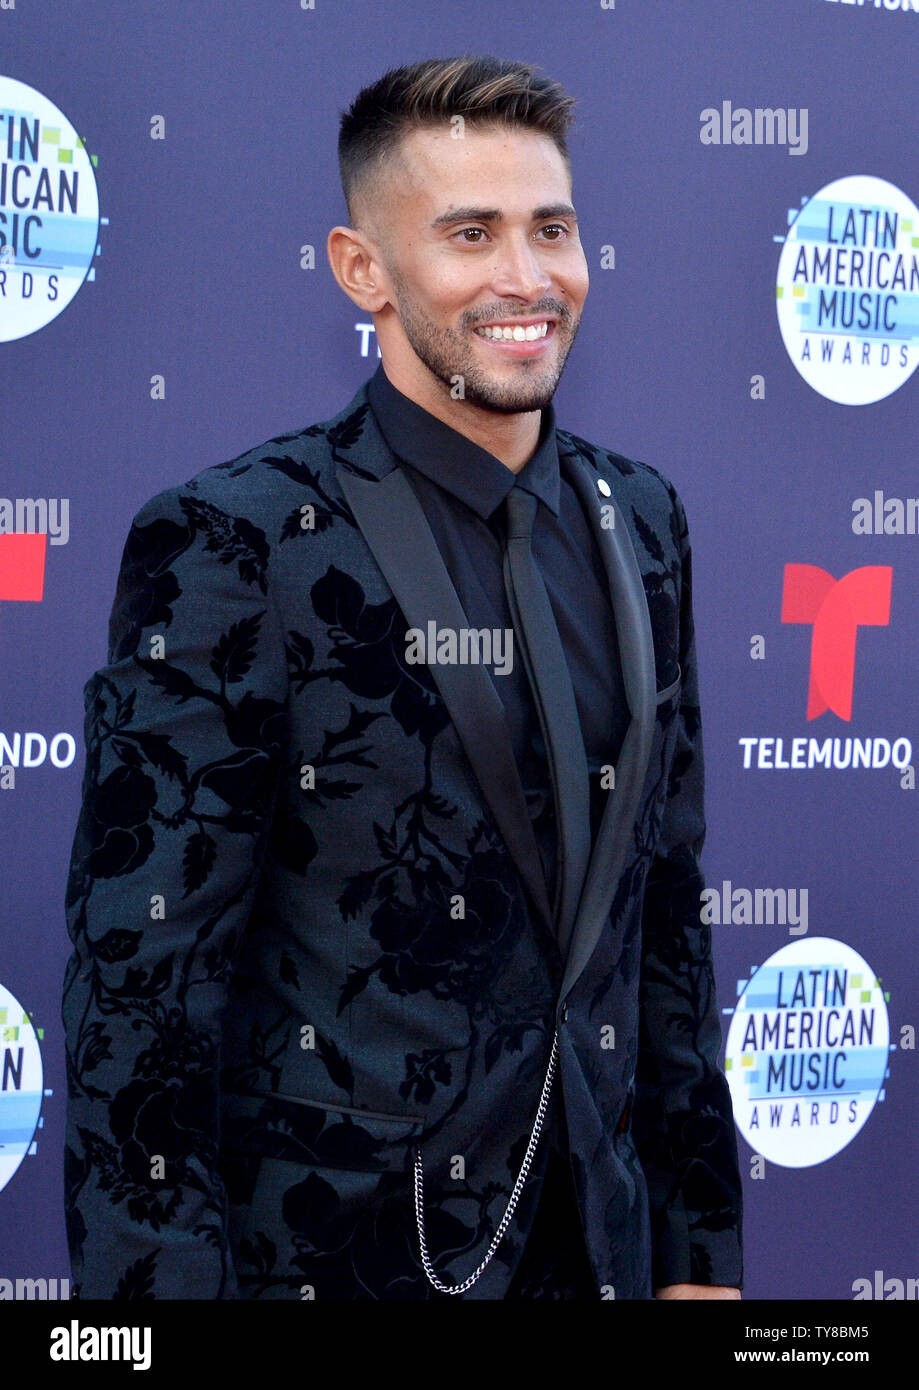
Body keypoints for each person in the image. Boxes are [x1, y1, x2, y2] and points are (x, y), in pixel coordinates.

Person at [61, 54, 743, 1300]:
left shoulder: (642, 520)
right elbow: (139, 992)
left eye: (551, 228)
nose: (526, 279)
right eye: (469, 234)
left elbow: (663, 914)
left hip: (601, 1249)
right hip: (336, 1260)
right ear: (361, 267)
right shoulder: (237, 541)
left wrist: (697, 1250)